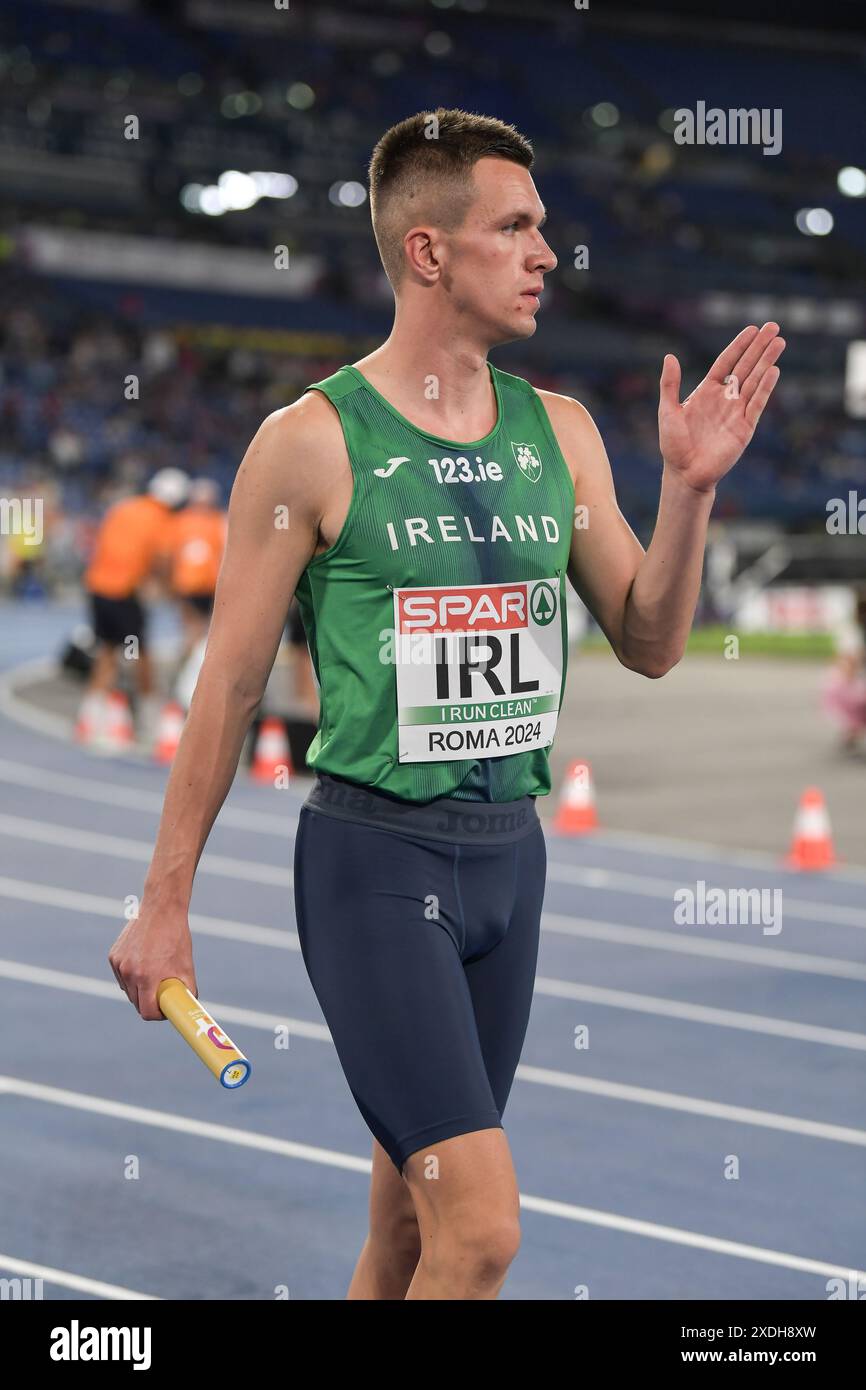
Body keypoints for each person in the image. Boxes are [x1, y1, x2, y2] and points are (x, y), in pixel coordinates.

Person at [108, 108, 784, 1300]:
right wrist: (163, 902)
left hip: (509, 868)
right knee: (481, 1234)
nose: (545, 254)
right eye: (514, 227)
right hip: (376, 863)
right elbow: (225, 684)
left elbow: (651, 643)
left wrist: (684, 491)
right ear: (428, 253)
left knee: (410, 1236)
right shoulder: (309, 442)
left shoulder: (560, 432)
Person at [78, 467, 189, 746]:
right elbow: (162, 560)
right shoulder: (162, 518)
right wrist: (169, 589)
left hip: (97, 587)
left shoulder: (124, 507)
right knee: (140, 654)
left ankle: (92, 713)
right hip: (124, 593)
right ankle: (149, 717)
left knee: (107, 650)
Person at [167, 477, 227, 695]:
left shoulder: (180, 521)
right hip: (206, 585)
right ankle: (195, 680)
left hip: (191, 585)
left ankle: (185, 678)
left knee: (192, 634)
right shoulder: (218, 521)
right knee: (205, 635)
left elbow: (170, 554)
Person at [822, 587, 866, 752]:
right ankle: (849, 738)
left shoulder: (851, 630)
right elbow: (849, 659)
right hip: (849, 679)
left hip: (846, 677)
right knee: (857, 713)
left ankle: (849, 738)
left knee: (857, 716)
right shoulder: (853, 632)